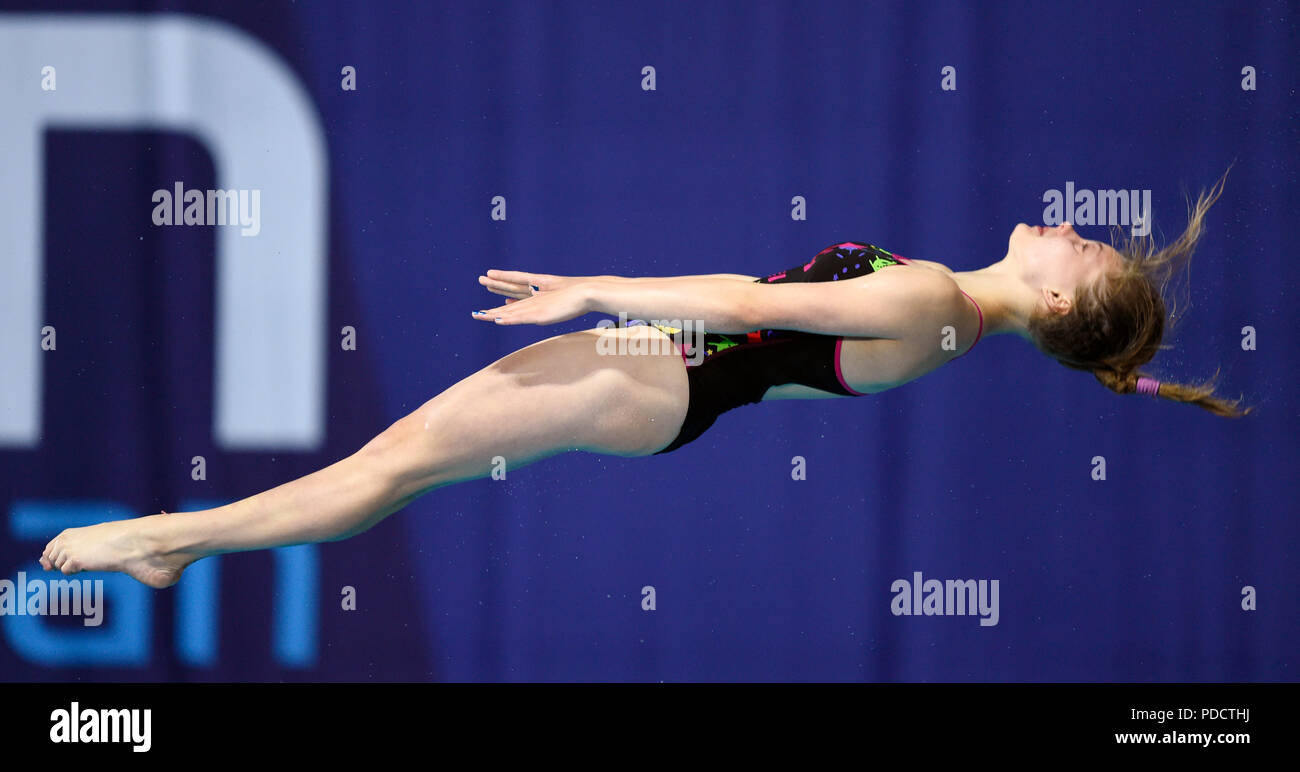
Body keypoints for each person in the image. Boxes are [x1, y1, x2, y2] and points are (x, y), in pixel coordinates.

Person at [39, 174, 1248, 588]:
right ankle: (180, 545)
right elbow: (749, 301)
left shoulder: (935, 306)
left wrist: (599, 291)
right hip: (669, 378)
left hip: (662, 375)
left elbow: (749, 305)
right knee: (398, 460)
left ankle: (162, 537)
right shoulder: (946, 311)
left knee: (395, 462)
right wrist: (617, 306)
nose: (1073, 229)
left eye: (1085, 252)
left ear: (1056, 303)